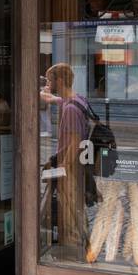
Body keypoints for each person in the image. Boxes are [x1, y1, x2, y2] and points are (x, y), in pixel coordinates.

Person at [41, 63, 92, 248]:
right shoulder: (77, 100)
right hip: (76, 168)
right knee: (75, 209)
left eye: (49, 80)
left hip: (69, 170)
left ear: (60, 80)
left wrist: (62, 169)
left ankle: (74, 249)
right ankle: (81, 244)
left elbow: (74, 144)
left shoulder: (70, 109)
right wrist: (48, 95)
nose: (48, 83)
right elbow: (54, 99)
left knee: (70, 214)